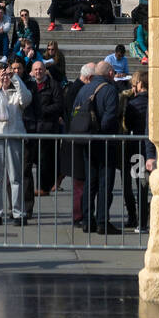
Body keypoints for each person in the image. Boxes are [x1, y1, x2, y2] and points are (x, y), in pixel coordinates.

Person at [71, 59, 121, 233]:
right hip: (104, 142)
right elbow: (110, 116)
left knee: (89, 182)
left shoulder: (84, 88)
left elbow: (74, 112)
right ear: (109, 73)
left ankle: (87, 220)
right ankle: (102, 221)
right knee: (105, 183)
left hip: (86, 140)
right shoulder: (109, 90)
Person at [0, 64, 31, 224]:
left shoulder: (16, 94)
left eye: (6, 75)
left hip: (14, 137)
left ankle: (18, 213)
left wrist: (15, 77)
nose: (4, 77)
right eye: (1, 75)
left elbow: (27, 98)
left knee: (16, 178)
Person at [22, 57, 63, 204]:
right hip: (32, 128)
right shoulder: (29, 86)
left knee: (45, 159)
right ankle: (35, 187)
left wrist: (42, 111)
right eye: (36, 70)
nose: (38, 72)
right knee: (33, 159)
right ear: (32, 72)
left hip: (47, 128)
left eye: (41, 69)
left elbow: (59, 105)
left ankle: (43, 187)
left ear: (45, 70)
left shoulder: (54, 85)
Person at [62, 62, 96, 223]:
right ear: (89, 77)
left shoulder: (75, 88)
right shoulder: (79, 89)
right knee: (79, 184)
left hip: (75, 139)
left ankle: (80, 213)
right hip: (77, 141)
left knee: (80, 183)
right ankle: (79, 214)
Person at [121, 69, 150, 231]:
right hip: (150, 147)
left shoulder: (133, 103)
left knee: (140, 184)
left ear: (140, 84)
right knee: (145, 185)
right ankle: (144, 219)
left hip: (137, 148)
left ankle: (139, 220)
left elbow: (128, 125)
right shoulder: (154, 102)